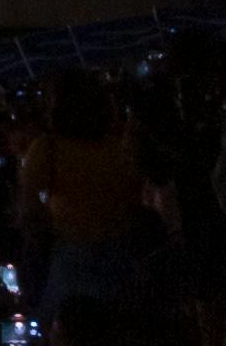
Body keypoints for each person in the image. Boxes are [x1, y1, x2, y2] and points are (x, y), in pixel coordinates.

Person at [24, 65, 174, 346]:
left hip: (73, 258)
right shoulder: (121, 145)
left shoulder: (47, 150)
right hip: (123, 257)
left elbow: (30, 208)